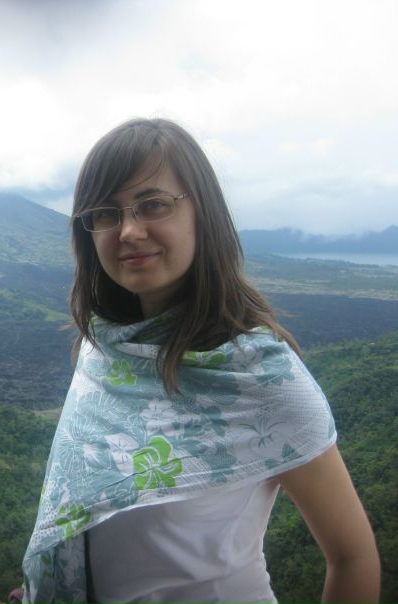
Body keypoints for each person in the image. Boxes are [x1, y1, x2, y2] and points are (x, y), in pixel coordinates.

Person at [21, 118, 380, 603]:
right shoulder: (104, 348)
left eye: (153, 204)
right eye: (105, 213)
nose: (129, 230)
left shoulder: (263, 377)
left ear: (202, 213)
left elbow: (353, 556)